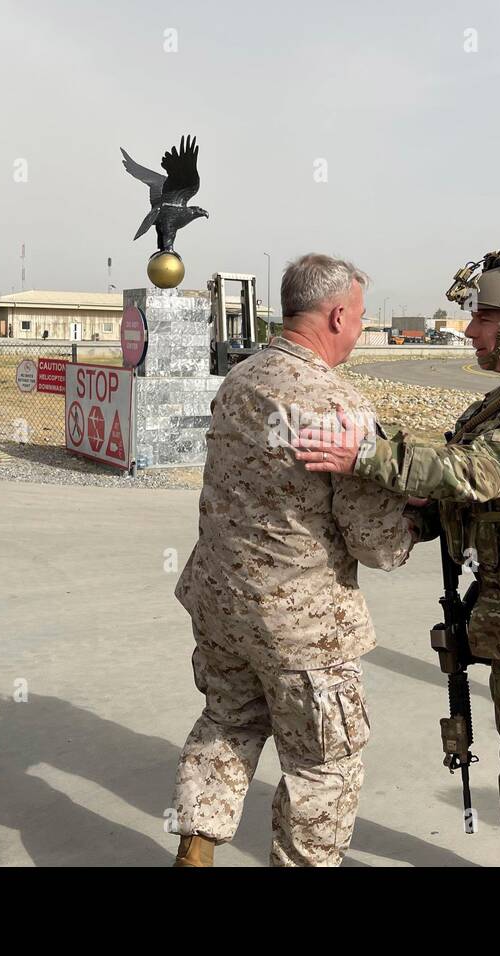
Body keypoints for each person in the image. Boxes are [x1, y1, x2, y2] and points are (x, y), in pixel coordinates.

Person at [294, 241, 500, 866]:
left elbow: (473, 472)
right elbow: (458, 498)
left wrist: (366, 454)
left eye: (483, 320)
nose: (469, 330)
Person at [171, 254, 422, 867]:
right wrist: (415, 516)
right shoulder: (339, 407)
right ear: (338, 315)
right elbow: (377, 544)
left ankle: (196, 848)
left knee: (227, 721)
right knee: (323, 764)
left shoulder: (241, 381)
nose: (360, 331)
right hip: (302, 625)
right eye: (360, 319)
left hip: (222, 601)